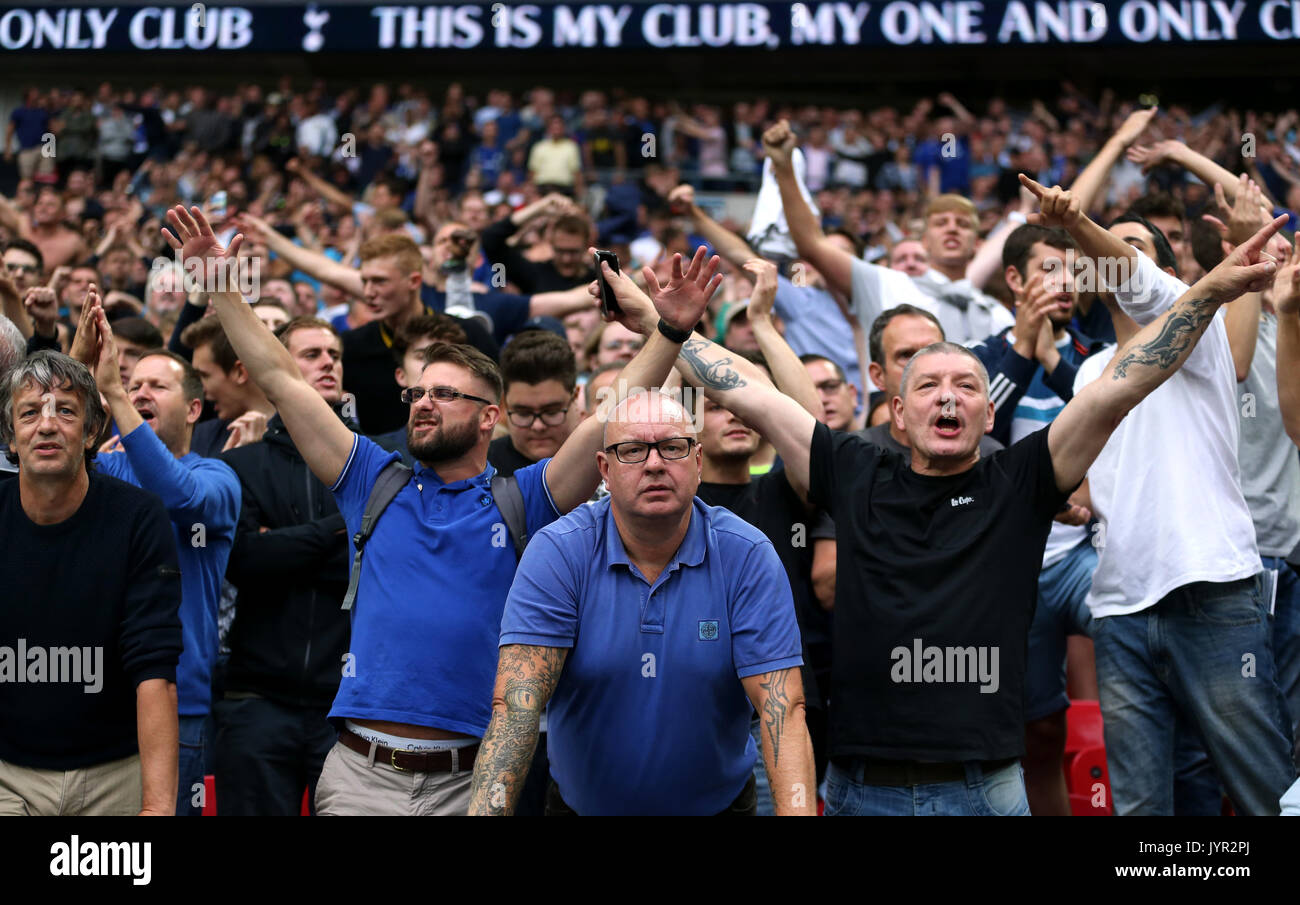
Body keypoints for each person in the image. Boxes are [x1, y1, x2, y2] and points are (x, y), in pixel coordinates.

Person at [655, 175, 1287, 815]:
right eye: (928, 385)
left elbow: (1126, 380)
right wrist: (669, 327)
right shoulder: (852, 470)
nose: (949, 395)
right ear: (896, 413)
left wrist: (1211, 288)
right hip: (861, 789)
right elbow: (747, 392)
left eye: (966, 385)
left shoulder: (1021, 479)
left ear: (991, 414)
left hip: (987, 791)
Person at [168, 203, 706, 815]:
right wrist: (222, 290)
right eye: (417, 392)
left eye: (445, 394)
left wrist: (669, 333)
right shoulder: (371, 478)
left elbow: (613, 412)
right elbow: (281, 378)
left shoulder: (522, 497)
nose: (423, 403)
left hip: (473, 782)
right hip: (358, 777)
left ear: (488, 418)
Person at [1059, 175, 1298, 815]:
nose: (1113, 254)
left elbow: (1135, 276)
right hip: (1118, 609)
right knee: (1139, 807)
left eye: (1132, 245)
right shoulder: (1087, 372)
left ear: (1167, 272)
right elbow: (1092, 483)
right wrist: (1070, 502)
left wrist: (1077, 221)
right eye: (1105, 248)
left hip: (1212, 591)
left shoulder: (1200, 330)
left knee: (1264, 791)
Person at [468, 390, 815, 816]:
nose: (654, 464)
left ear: (698, 461)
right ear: (604, 470)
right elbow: (516, 708)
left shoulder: (746, 553)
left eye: (672, 447)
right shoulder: (558, 551)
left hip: (719, 808)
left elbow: (783, 709)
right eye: (632, 450)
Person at [75, 291, 241, 816]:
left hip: (179, 702)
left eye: (156, 386)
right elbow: (47, 454)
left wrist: (118, 402)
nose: (140, 391)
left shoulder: (217, 476)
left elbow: (179, 498)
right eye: (133, 384)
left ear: (194, 408)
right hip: (94, 693)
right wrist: (79, 367)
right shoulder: (106, 465)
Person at [0, 350, 182, 816]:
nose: (46, 425)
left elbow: (154, 669)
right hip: (8, 772)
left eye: (65, 410)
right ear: (9, 437)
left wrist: (157, 810)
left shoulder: (139, 517)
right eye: (29, 412)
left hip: (115, 770)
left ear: (91, 432)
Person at [969, 224, 1104, 815]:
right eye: (1050, 269)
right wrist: (1026, 351)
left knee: (1143, 648)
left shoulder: (1096, 356)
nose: (1065, 283)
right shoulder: (978, 358)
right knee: (1038, 731)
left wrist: (1053, 356)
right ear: (1016, 279)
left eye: (1074, 271)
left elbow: (1112, 420)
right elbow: (975, 437)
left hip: (1081, 555)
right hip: (1013, 566)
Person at [217, 317, 357, 816]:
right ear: (276, 365)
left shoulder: (376, 464)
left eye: (334, 354)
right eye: (312, 354)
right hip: (256, 700)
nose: (328, 363)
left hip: (348, 708)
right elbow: (244, 561)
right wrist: (336, 531)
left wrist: (284, 546)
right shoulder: (242, 466)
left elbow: (368, 566)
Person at [762, 120, 1015, 345]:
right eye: (941, 223)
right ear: (924, 240)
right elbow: (811, 245)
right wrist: (785, 171)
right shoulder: (885, 283)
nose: (952, 228)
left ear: (976, 243)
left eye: (962, 224)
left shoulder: (996, 314)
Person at [489, 330, 581, 477]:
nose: (538, 426)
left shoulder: (608, 461)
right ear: (504, 403)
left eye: (551, 412)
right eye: (523, 414)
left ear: (575, 396)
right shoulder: (479, 469)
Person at [181, 317, 276, 456]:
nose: (201, 389)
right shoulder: (200, 438)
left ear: (240, 372)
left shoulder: (299, 435)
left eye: (204, 375)